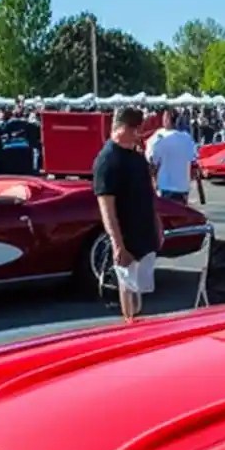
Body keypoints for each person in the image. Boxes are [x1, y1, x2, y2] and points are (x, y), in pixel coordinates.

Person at [92, 108, 162, 321]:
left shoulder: (136, 158)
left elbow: (148, 196)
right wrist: (117, 243)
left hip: (144, 232)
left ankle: (138, 321)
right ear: (120, 128)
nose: (137, 133)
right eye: (133, 128)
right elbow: (107, 206)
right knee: (127, 285)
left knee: (141, 287)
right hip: (127, 235)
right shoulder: (107, 160)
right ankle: (130, 323)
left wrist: (157, 223)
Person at [145, 109, 198, 204]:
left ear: (167, 119)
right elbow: (193, 158)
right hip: (183, 186)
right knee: (182, 215)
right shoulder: (187, 138)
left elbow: (151, 160)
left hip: (165, 185)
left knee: (167, 215)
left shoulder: (159, 137)